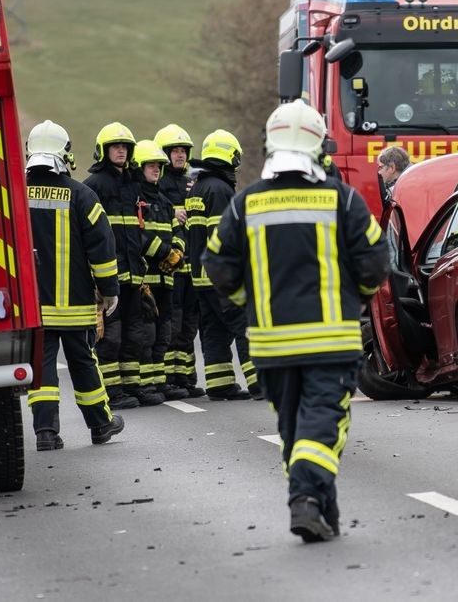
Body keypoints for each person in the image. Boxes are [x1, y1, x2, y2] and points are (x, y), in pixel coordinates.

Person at [204, 100, 389, 542]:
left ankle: (322, 516)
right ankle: (304, 500)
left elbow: (216, 264)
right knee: (323, 425)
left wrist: (252, 303)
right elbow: (375, 263)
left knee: (294, 429)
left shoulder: (245, 202)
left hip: (271, 346)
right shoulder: (341, 200)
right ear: (317, 146)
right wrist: (356, 301)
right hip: (330, 341)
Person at [22, 120, 124, 449]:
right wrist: (109, 290)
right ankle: (100, 425)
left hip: (32, 305)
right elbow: (102, 249)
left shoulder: (11, 193)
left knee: (42, 366)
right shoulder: (82, 195)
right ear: (64, 154)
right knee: (83, 362)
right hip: (75, 304)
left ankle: (46, 433)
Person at [84, 122, 164, 409]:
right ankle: (113, 392)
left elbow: (136, 230)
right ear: (103, 151)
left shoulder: (133, 184)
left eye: (125, 146)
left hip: (133, 274)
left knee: (135, 334)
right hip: (108, 277)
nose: (120, 150)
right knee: (111, 337)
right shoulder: (93, 186)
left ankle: (133, 387)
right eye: (115, 146)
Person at [186, 129, 258, 400]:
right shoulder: (220, 189)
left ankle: (219, 383)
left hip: (200, 276)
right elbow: (224, 237)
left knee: (214, 329)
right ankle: (259, 382)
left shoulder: (200, 187)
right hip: (220, 275)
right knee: (245, 325)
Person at [132, 140, 190, 401]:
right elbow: (136, 235)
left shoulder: (164, 202)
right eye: (151, 165)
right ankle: (145, 386)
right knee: (147, 334)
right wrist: (165, 252)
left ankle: (159, 381)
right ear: (140, 167)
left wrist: (177, 251)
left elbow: (177, 231)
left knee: (164, 333)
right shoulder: (136, 200)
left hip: (166, 279)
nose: (156, 170)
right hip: (146, 280)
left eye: (158, 166)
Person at [155, 124, 205, 397]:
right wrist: (172, 212)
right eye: (174, 151)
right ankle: (168, 378)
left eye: (183, 151)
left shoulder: (192, 182)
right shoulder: (157, 184)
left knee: (189, 322)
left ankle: (185, 377)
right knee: (171, 322)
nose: (180, 156)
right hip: (171, 266)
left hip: (191, 265)